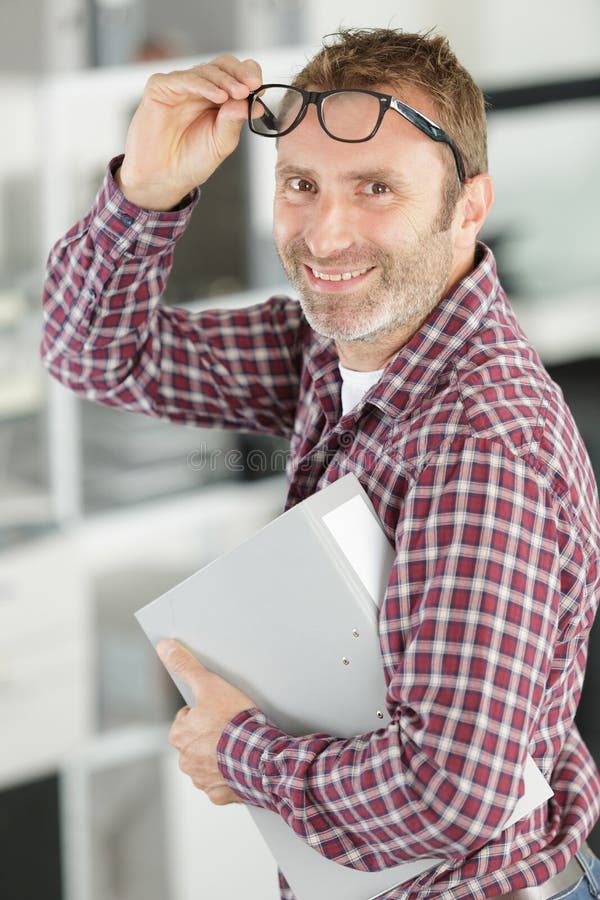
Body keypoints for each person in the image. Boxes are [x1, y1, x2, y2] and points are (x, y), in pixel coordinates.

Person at [41, 27, 600, 900]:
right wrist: (145, 195)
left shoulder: (481, 444)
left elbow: (449, 795)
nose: (327, 233)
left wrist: (236, 749)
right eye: (301, 185)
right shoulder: (332, 344)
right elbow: (93, 353)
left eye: (376, 187)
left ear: (468, 205)